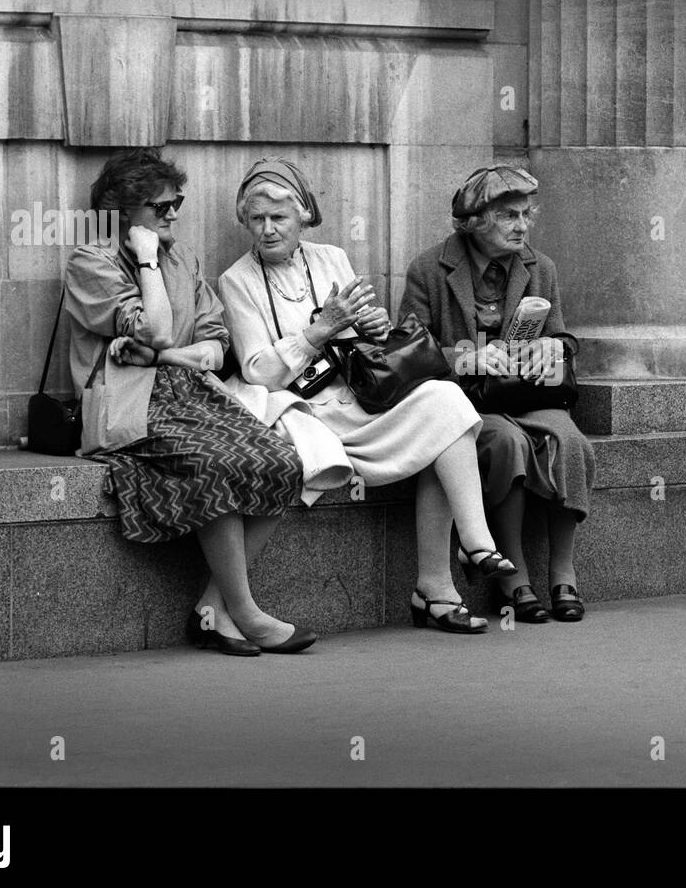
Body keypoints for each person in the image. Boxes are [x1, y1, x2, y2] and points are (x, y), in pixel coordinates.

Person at [219, 158, 516, 634]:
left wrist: (374, 326)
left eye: (280, 219)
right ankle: (437, 591)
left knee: (445, 402)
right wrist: (320, 330)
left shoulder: (331, 257)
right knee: (440, 436)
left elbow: (370, 335)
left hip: (363, 396)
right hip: (307, 412)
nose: (268, 230)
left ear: (303, 218)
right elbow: (258, 372)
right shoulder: (237, 280)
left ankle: (474, 543)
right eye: (257, 220)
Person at [64, 147, 314, 657]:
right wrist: (148, 259)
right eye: (161, 208)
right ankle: (245, 612)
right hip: (129, 405)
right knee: (215, 464)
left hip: (195, 395)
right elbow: (152, 326)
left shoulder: (186, 259)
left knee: (282, 460)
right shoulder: (91, 262)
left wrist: (165, 357)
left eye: (176, 203)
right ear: (124, 213)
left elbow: (216, 345)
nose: (174, 213)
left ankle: (214, 608)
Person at [400, 165, 596, 623]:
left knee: (571, 444)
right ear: (474, 219)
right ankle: (514, 577)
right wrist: (466, 358)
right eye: (509, 216)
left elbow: (564, 338)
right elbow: (407, 353)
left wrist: (555, 346)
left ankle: (563, 571)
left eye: (527, 214)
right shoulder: (430, 269)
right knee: (506, 444)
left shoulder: (538, 266)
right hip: (466, 401)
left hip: (529, 393)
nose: (522, 226)